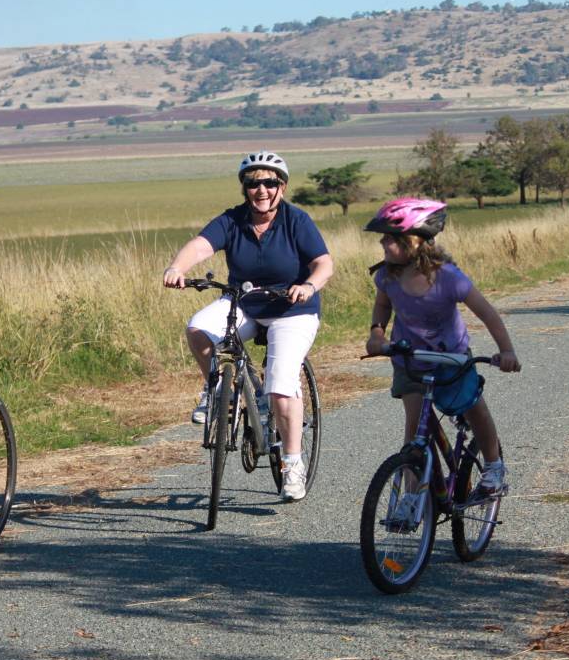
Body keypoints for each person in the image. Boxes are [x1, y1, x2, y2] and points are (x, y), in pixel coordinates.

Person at [163, 150, 334, 502]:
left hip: (292, 310)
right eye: (253, 183)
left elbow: (323, 263)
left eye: (270, 182)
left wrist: (308, 285)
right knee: (199, 328)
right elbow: (201, 245)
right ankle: (217, 390)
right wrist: (177, 267)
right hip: (246, 304)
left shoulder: (296, 221)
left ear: (282, 187)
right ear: (245, 188)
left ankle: (291, 463)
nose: (261, 189)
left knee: (282, 385)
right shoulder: (233, 220)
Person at [363, 198, 520, 502]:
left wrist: (507, 351)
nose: (382, 242)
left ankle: (493, 468)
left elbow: (487, 313)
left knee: (474, 408)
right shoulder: (388, 275)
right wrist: (376, 333)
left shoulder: (448, 277)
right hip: (410, 359)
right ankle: (411, 498)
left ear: (414, 242)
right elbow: (383, 306)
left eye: (390, 238)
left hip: (451, 359)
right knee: (413, 430)